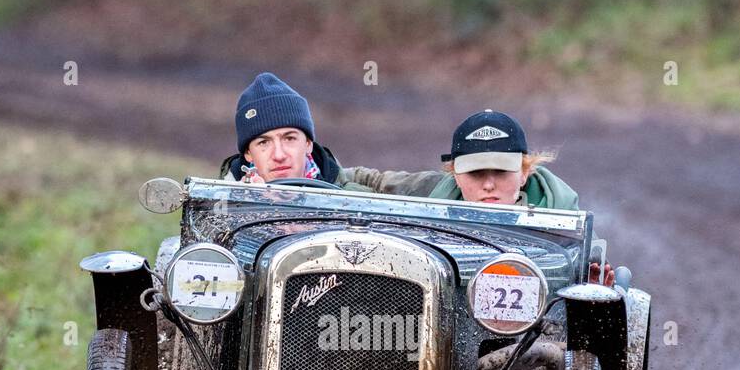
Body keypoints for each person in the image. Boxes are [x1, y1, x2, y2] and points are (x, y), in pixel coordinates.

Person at [344, 109, 615, 283]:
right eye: (475, 173)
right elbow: (372, 181)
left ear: (524, 173)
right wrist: (316, 166)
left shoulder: (563, 221)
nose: (488, 184)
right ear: (456, 176)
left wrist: (589, 288)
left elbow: (594, 277)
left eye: (500, 171)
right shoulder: (432, 194)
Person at [219, 72, 369, 190]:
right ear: (248, 154)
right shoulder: (218, 208)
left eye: (289, 138)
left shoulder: (356, 187)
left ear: (308, 143)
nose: (279, 155)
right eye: (264, 142)